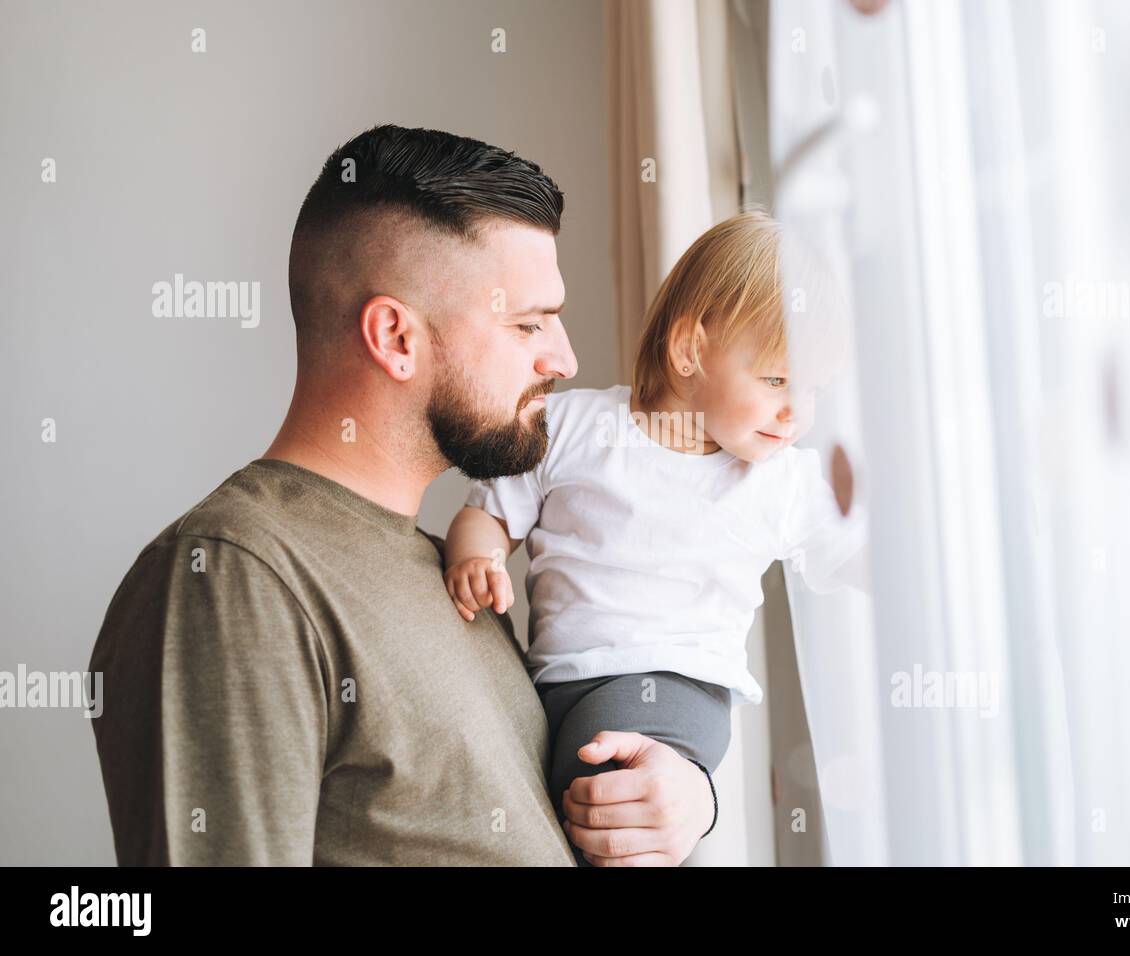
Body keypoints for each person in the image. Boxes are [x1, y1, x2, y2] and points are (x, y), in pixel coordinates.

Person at [88, 124, 718, 866]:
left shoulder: (451, 572)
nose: (565, 358)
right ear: (395, 337)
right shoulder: (232, 576)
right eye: (528, 324)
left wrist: (689, 795)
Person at [442, 211, 866, 866]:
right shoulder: (573, 426)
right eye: (778, 381)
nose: (796, 414)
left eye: (812, 390)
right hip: (558, 688)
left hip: (678, 687)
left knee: (615, 799)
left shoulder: (782, 481)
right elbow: (490, 513)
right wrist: (478, 555)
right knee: (573, 808)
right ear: (689, 350)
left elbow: (860, 558)